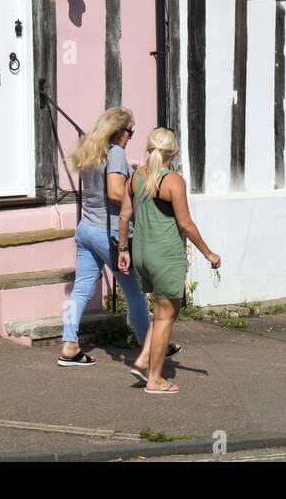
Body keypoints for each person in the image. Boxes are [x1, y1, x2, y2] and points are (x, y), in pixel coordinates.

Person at [117, 128, 220, 394]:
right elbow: (185, 224)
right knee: (165, 316)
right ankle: (154, 379)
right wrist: (209, 253)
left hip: (141, 254)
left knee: (166, 311)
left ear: (149, 149)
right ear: (173, 152)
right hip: (165, 256)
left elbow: (124, 217)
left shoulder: (135, 178)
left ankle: (142, 361)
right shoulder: (173, 180)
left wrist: (123, 250)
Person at [58, 107, 151, 367]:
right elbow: (113, 193)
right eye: (130, 132)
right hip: (108, 233)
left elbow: (101, 184)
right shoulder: (116, 152)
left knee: (81, 289)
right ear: (119, 131)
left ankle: (69, 344)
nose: (131, 137)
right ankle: (150, 346)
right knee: (133, 290)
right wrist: (142, 200)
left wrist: (128, 173)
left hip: (86, 228)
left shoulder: (91, 149)